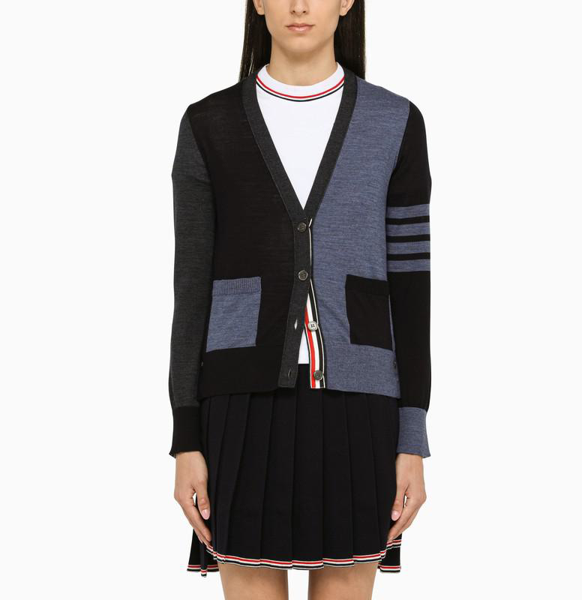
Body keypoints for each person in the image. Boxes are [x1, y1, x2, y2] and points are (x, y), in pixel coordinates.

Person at [168, 1, 432, 598]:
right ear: (257, 2)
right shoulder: (209, 124)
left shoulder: (394, 121)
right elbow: (191, 290)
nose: (299, 4)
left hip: (362, 404)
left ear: (347, 2)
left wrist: (411, 435)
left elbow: (413, 289)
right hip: (238, 402)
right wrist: (186, 436)